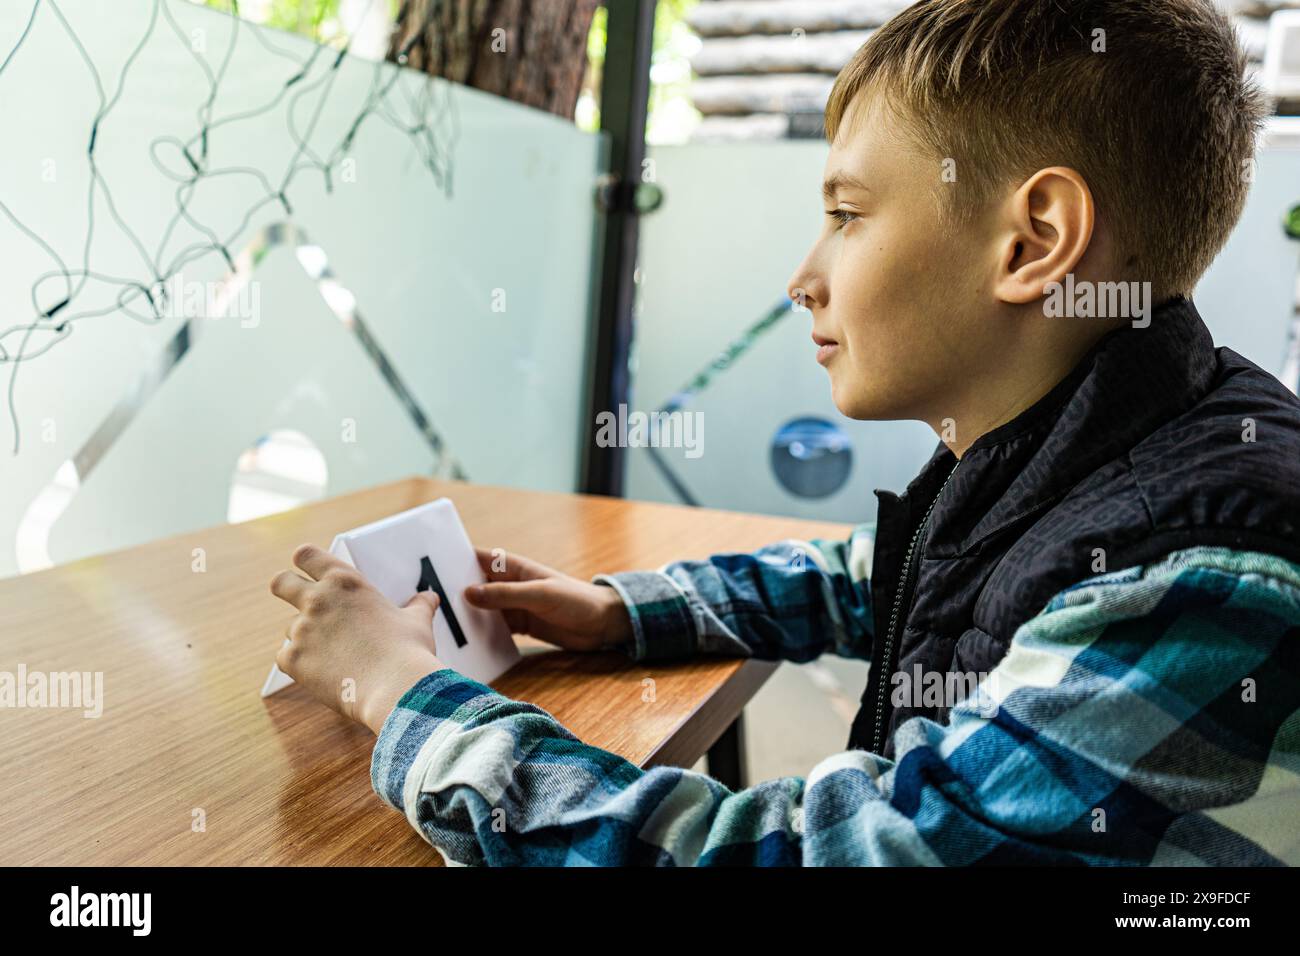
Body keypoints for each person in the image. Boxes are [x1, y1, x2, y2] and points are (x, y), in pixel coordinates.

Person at [269, 0, 1300, 865]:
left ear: (1032, 241)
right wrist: (616, 612)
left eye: (847, 213)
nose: (803, 275)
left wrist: (404, 695)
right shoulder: (1082, 450)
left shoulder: (1199, 572)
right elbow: (874, 576)